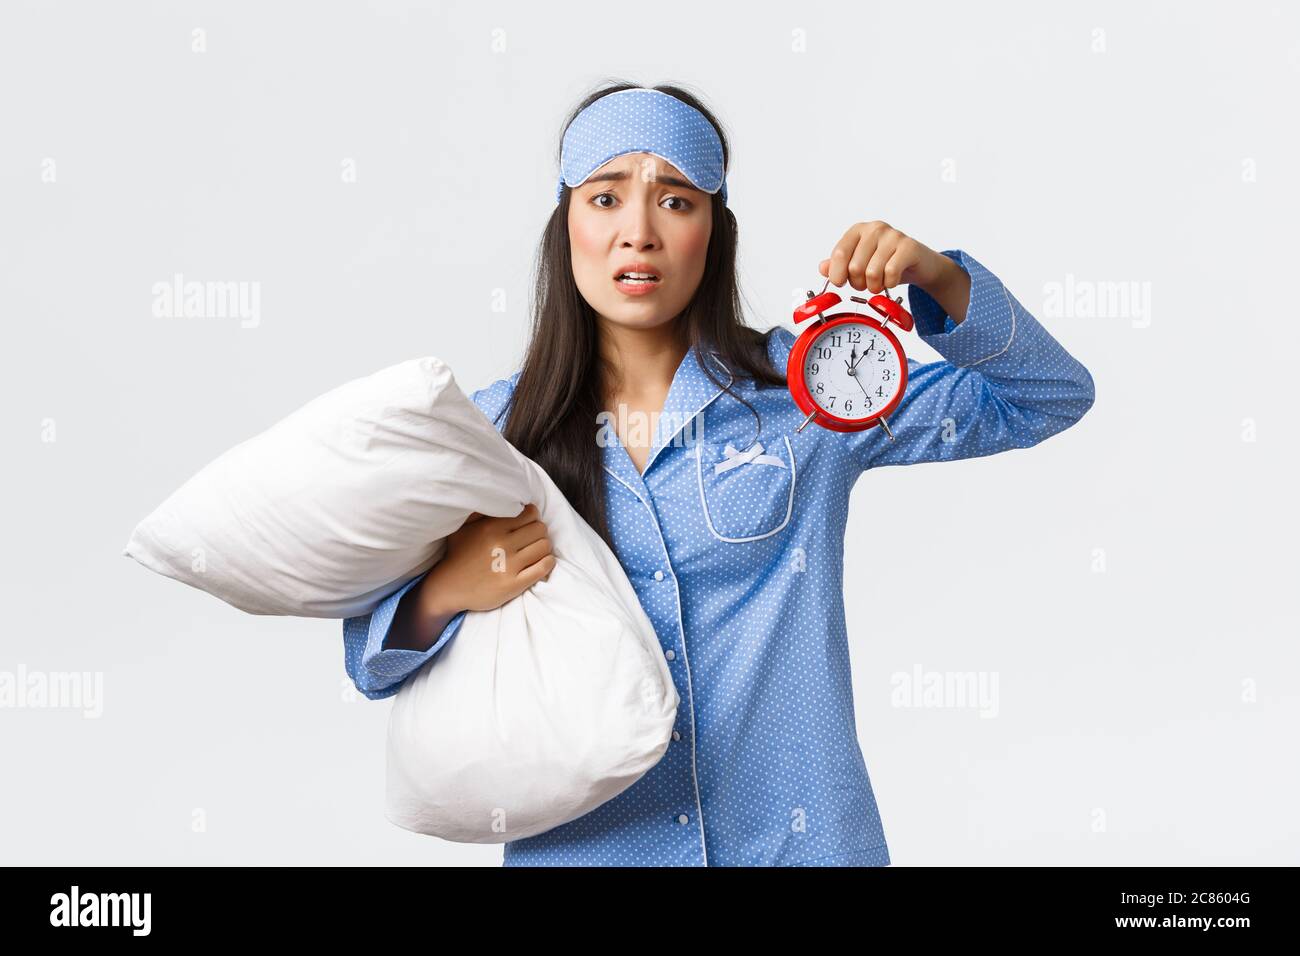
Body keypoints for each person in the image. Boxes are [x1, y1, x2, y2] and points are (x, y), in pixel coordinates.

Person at [342, 82, 1096, 866]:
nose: (638, 233)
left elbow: (1048, 398)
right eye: (604, 198)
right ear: (565, 224)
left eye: (675, 202)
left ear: (715, 231)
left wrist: (942, 280)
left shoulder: (809, 390)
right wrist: (443, 593)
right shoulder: (495, 434)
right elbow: (371, 662)